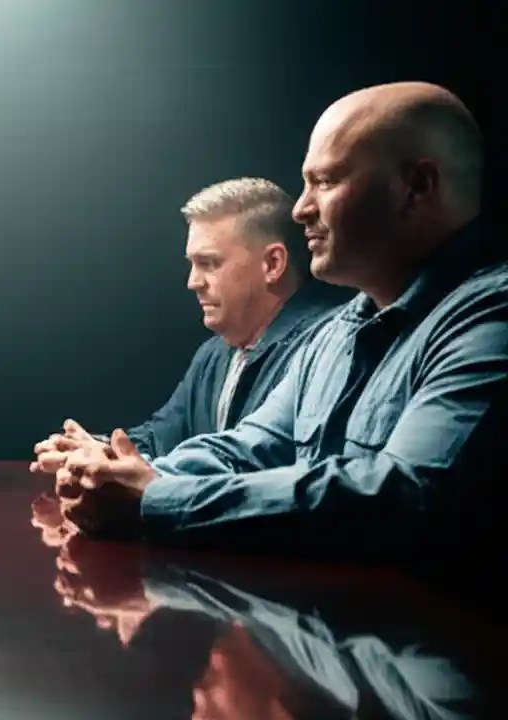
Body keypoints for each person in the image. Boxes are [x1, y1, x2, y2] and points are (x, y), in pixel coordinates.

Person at [56, 82, 501, 565]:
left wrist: (152, 498)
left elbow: (401, 497)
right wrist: (116, 476)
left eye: (326, 181)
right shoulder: (337, 334)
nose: (300, 209)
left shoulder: (489, 320)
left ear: (417, 187)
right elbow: (248, 448)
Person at [32, 177, 345, 476]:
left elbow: (257, 467)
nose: (193, 282)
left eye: (209, 263)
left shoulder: (328, 348)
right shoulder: (214, 353)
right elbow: (160, 437)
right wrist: (95, 451)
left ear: (273, 264)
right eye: (192, 265)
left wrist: (121, 467)